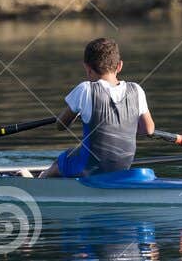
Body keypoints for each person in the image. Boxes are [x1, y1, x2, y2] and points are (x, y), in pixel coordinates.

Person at [42, 38, 155, 178]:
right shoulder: (136, 90)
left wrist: (76, 113)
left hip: (90, 169)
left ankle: (40, 179)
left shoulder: (85, 89)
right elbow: (148, 130)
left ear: (88, 69)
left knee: (60, 162)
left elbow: (60, 125)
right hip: (123, 166)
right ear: (119, 66)